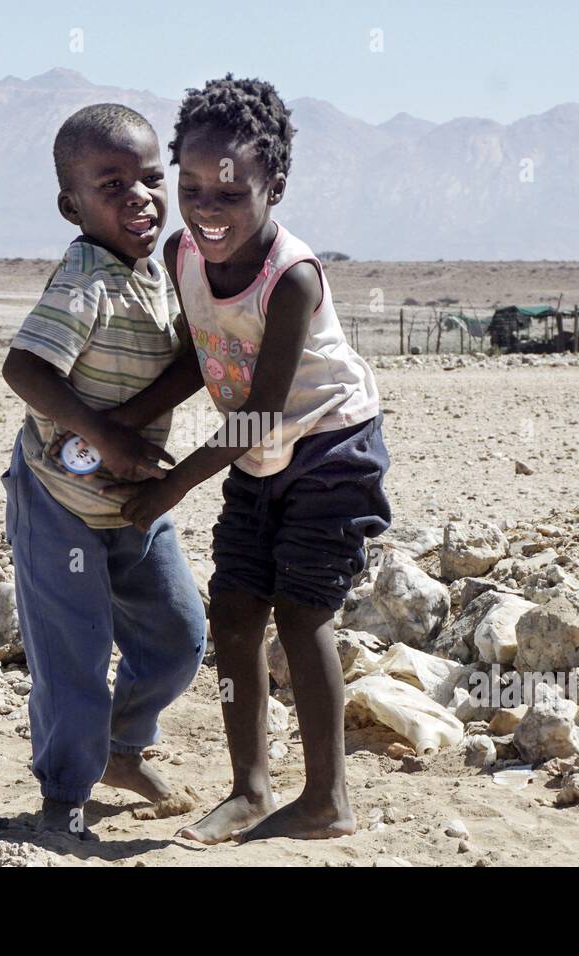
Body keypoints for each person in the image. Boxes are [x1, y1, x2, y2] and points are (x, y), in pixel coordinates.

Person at [110, 75, 392, 842]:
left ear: (276, 185)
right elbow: (204, 359)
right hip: (258, 453)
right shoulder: (183, 255)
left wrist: (170, 486)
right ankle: (250, 789)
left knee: (302, 616)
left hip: (332, 447)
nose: (207, 207)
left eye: (230, 193)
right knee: (234, 618)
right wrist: (116, 423)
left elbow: (264, 408)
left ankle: (328, 798)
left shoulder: (291, 277)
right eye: (192, 186)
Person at [0, 103, 205, 839]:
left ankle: (118, 747)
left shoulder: (161, 276)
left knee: (180, 638)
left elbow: (192, 366)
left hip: (135, 503)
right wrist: (104, 437)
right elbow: (23, 367)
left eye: (151, 178)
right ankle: (63, 794)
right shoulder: (87, 276)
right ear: (71, 205)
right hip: (58, 502)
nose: (139, 197)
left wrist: (123, 435)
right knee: (73, 658)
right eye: (111, 184)